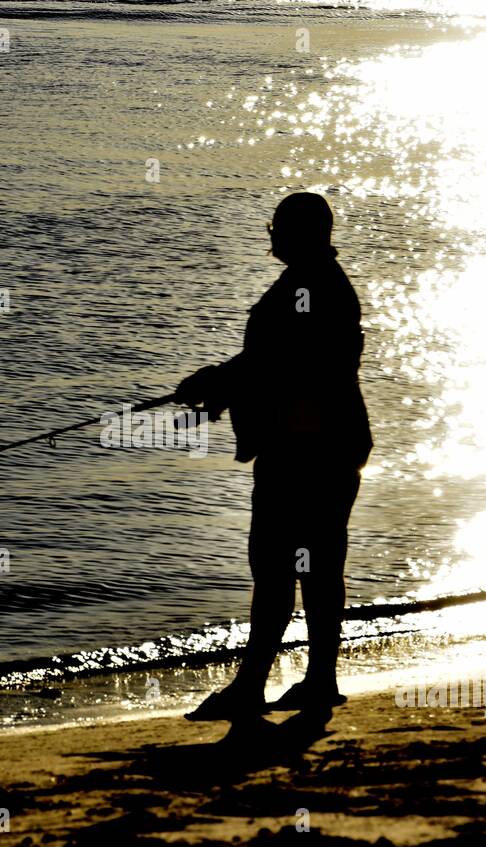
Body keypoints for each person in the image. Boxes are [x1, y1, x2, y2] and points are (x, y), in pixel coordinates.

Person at [176, 192, 372, 721]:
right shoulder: (314, 284)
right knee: (314, 565)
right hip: (322, 443)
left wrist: (221, 383)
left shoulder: (310, 287)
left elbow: (289, 363)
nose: (272, 237)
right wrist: (222, 385)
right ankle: (315, 681)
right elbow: (276, 361)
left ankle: (256, 685)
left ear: (300, 233)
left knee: (280, 565)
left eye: (278, 228)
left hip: (306, 448)